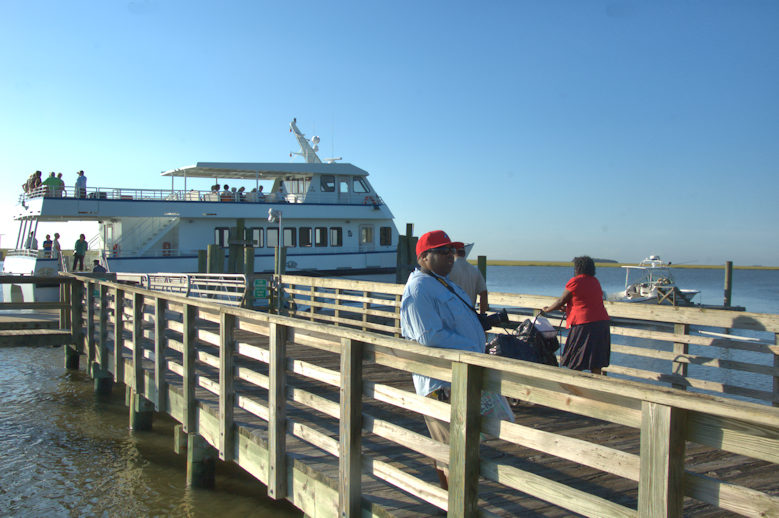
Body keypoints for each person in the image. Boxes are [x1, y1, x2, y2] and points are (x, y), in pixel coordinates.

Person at [400, 230, 512, 490]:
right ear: (424, 257)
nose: (450, 257)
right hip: (440, 383)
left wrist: (481, 323)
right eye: (442, 252)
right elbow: (429, 335)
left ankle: (449, 501)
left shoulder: (443, 282)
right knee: (450, 449)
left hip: (460, 377)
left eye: (451, 251)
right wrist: (472, 346)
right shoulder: (418, 288)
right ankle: (454, 503)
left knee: (457, 445)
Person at [542, 256, 610, 374]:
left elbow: (561, 300)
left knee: (575, 360)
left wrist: (548, 310)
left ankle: (575, 388)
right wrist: (568, 309)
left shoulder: (575, 281)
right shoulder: (595, 281)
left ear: (578, 268)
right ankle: (596, 388)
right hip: (601, 323)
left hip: (584, 325)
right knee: (596, 360)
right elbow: (586, 302)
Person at [448, 245, 488, 314]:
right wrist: (482, 315)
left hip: (452, 314)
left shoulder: (447, 269)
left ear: (452, 252)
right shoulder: (475, 270)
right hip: (470, 314)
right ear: (464, 253)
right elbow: (484, 294)